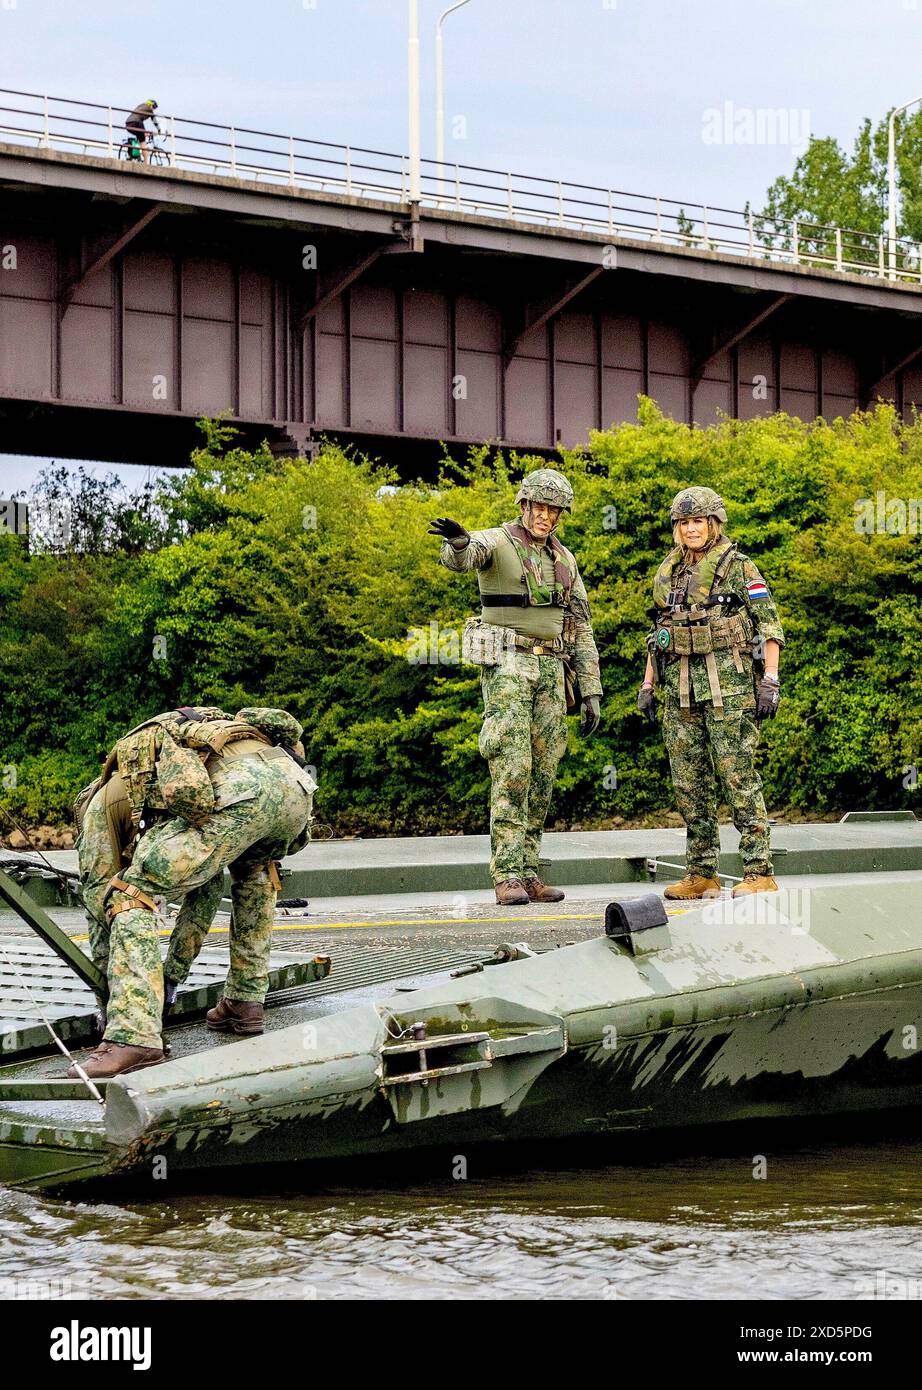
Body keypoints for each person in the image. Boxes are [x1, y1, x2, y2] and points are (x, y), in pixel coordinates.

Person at [70, 706, 315, 1079]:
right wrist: (171, 975)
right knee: (256, 874)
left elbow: (99, 911)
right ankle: (244, 1003)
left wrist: (114, 1004)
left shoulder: (101, 810)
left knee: (128, 895)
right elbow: (208, 885)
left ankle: (134, 1038)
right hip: (294, 789)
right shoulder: (196, 754)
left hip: (237, 793)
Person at [431, 469, 602, 906]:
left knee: (544, 771)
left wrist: (591, 690)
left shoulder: (565, 559)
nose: (545, 516)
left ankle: (528, 872)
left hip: (552, 668)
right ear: (524, 505)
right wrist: (458, 543)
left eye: (553, 509)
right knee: (513, 766)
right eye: (539, 507)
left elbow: (580, 625)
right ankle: (505, 874)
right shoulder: (496, 540)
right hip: (509, 662)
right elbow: (467, 557)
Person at [638, 487, 784, 900]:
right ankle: (701, 872)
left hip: (729, 688)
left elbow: (769, 627)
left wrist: (769, 681)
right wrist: (648, 684)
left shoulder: (740, 567)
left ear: (713, 523)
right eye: (684, 523)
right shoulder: (669, 574)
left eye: (698, 521)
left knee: (739, 779)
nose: (691, 529)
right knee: (690, 785)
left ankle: (759, 871)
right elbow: (659, 634)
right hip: (680, 690)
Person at [125, 98, 160, 163]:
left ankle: (134, 156)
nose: (153, 109)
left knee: (141, 136)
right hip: (136, 123)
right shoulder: (149, 109)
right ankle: (146, 162)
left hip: (128, 124)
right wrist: (159, 129)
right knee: (143, 142)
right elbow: (154, 120)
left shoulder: (141, 106)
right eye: (154, 107)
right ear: (150, 104)